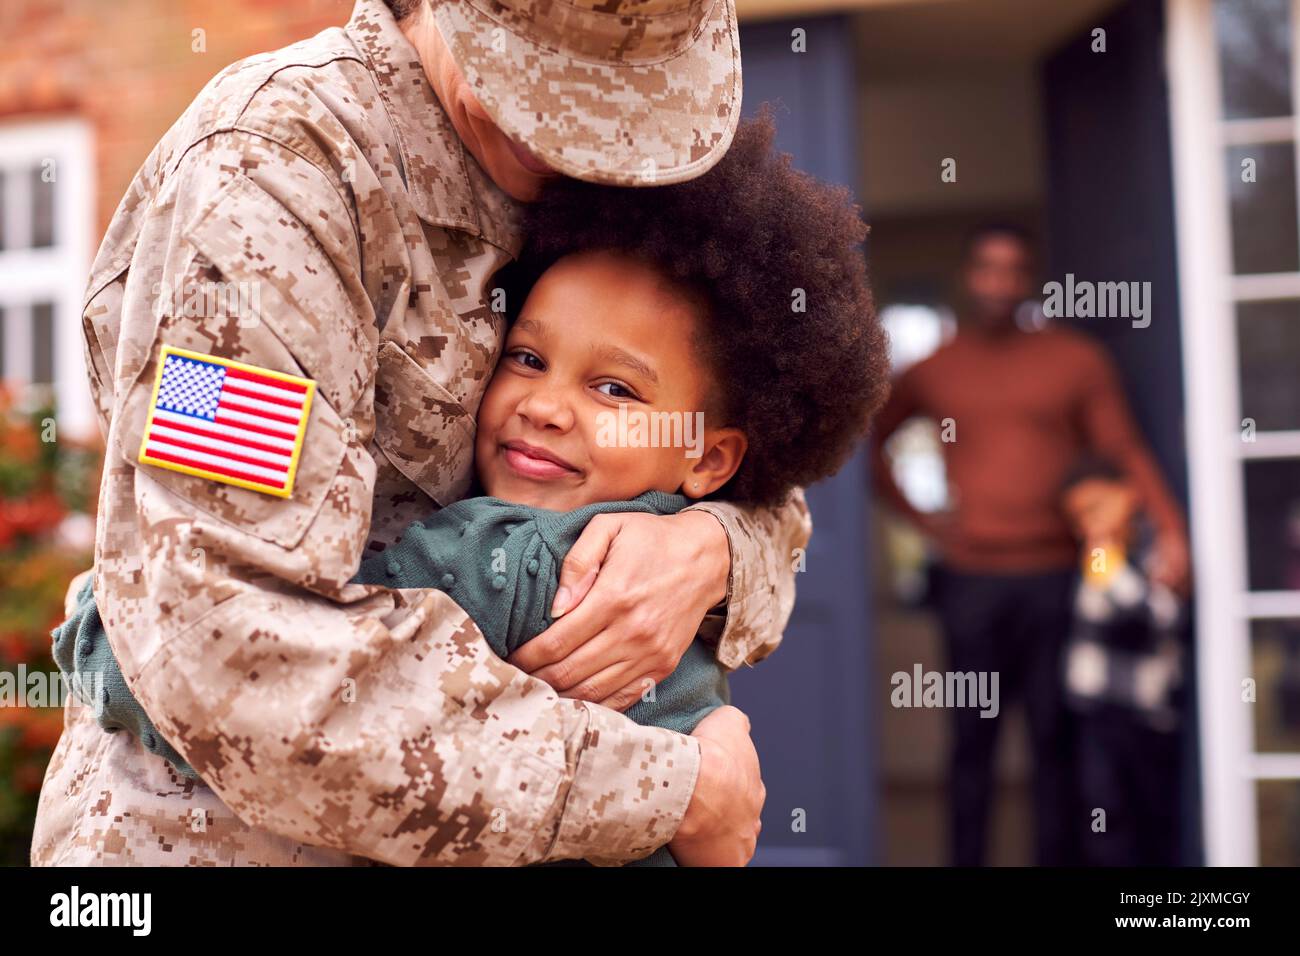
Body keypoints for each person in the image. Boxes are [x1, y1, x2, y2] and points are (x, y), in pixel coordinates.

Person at [33, 0, 812, 867]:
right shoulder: (271, 181)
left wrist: (714, 547)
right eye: (549, 82)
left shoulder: (615, 179)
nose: (582, 140)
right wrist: (670, 788)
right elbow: (225, 653)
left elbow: (762, 479)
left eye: (621, 91)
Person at [869, 223, 1190, 866]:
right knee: (971, 743)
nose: (998, 281)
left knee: (1056, 741)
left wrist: (1173, 532)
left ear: (1029, 280)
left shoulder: (1074, 361)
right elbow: (872, 445)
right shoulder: (935, 370)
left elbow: (1121, 450)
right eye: (987, 268)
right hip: (970, 583)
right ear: (969, 277)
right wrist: (926, 521)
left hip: (1056, 578)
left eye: (1012, 270)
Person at [1058, 456, 1185, 866]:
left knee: (1153, 813)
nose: (1088, 526)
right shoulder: (1099, 558)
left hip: (1148, 712)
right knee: (1104, 811)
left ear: (1129, 494)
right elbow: (1113, 613)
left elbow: (1160, 617)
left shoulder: (1156, 547)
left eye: (1095, 509)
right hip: (1099, 710)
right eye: (1079, 518)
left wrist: (1118, 575)